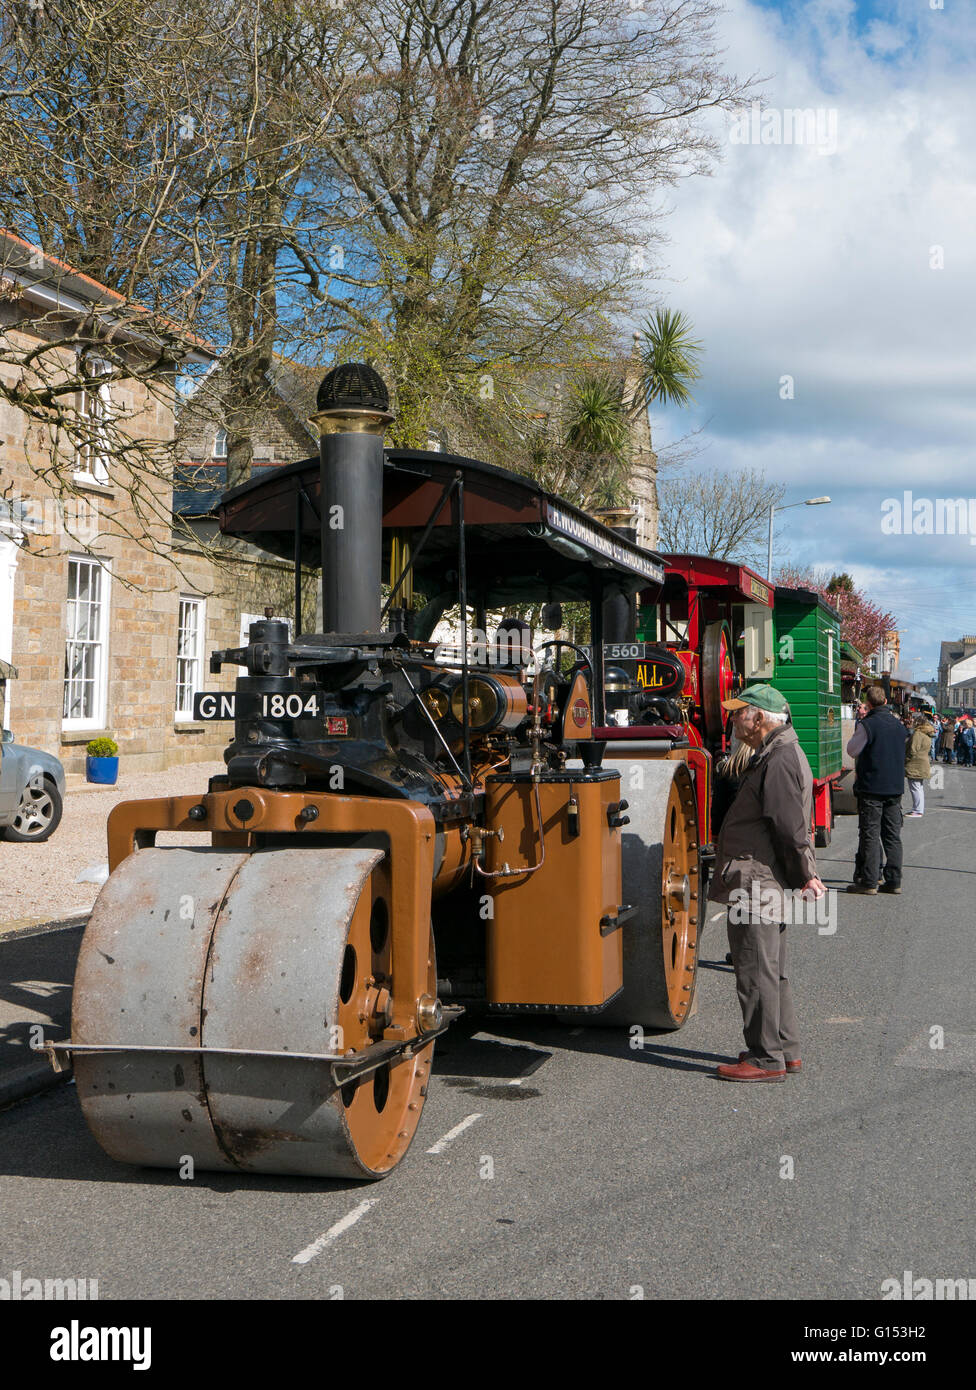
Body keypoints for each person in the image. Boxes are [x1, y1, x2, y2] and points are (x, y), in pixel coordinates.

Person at [710, 684, 825, 1082]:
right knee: (771, 968)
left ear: (758, 718)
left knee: (755, 969)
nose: (733, 719)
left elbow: (789, 827)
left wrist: (805, 875)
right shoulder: (778, 751)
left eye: (738, 712)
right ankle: (784, 1050)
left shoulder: (778, 757)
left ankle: (765, 1058)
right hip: (761, 878)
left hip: (756, 879)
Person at [846, 685, 909, 894]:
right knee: (892, 835)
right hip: (894, 787)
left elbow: (852, 750)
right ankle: (894, 880)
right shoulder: (899, 725)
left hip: (872, 786)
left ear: (869, 703)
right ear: (885, 701)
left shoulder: (868, 725)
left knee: (870, 834)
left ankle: (870, 881)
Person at [905, 713, 935, 816]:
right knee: (918, 787)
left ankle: (917, 810)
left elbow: (913, 750)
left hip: (915, 764)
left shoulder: (918, 733)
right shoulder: (926, 733)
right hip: (923, 762)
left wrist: (906, 759)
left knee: (915, 787)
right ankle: (918, 809)